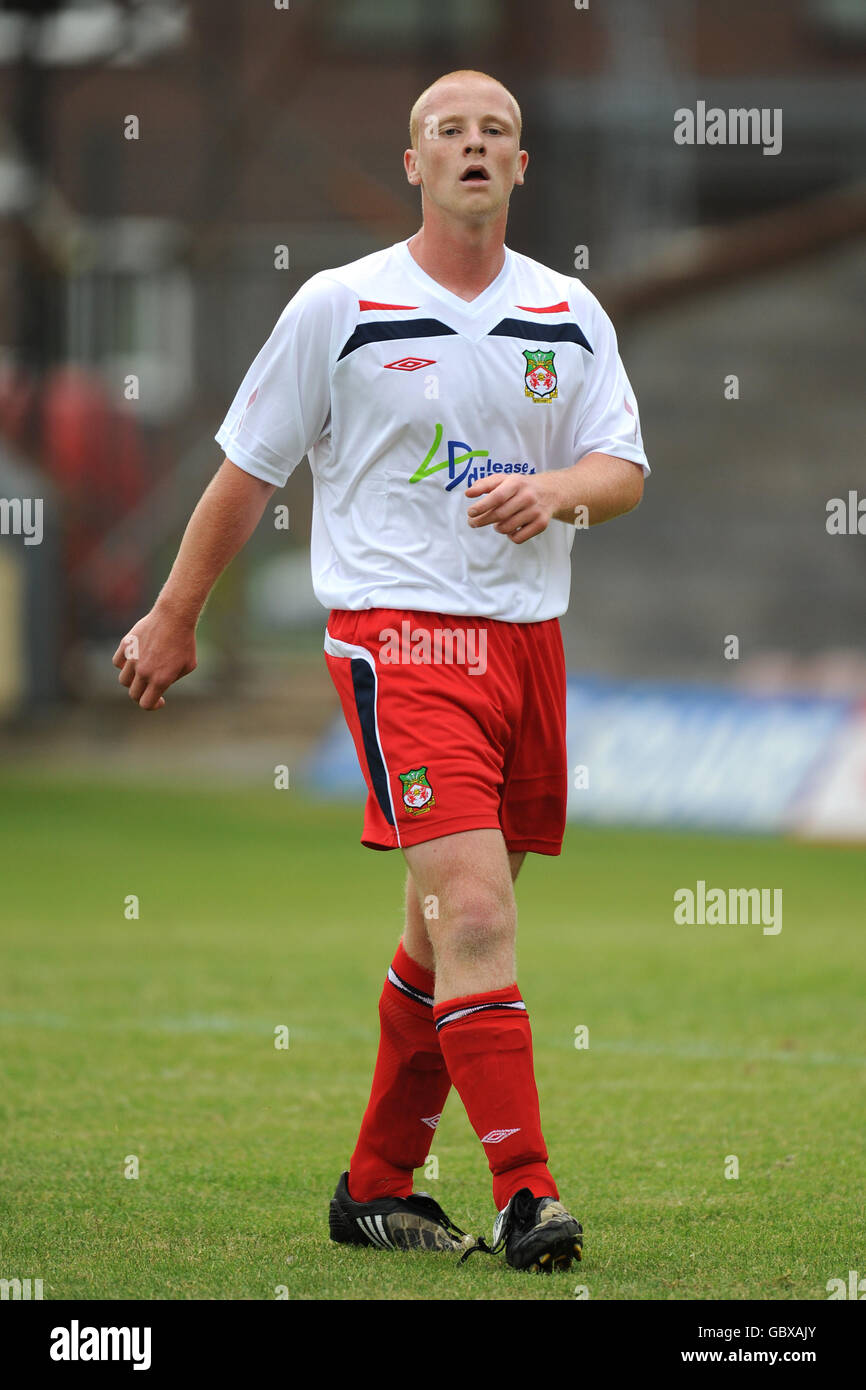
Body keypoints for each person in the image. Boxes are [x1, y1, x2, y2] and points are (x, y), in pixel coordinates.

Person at [113, 69, 649, 1274]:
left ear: (521, 166)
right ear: (412, 164)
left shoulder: (567, 312)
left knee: (437, 934)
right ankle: (527, 1194)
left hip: (528, 648)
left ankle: (372, 1185)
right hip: (398, 640)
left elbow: (620, 469)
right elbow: (246, 470)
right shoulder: (337, 304)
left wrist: (556, 489)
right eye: (446, 131)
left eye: (494, 131)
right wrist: (173, 613)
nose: (471, 145)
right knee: (473, 910)